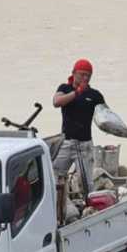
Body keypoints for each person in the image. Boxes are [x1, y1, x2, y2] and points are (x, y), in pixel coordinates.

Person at [49, 59, 104, 206]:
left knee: (85, 181)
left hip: (84, 144)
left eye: (88, 75)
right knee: (53, 172)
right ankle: (56, 204)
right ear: (73, 73)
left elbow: (104, 114)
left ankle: (90, 207)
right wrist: (77, 92)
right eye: (82, 74)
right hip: (66, 142)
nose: (85, 78)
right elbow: (56, 102)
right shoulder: (64, 88)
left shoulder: (94, 95)